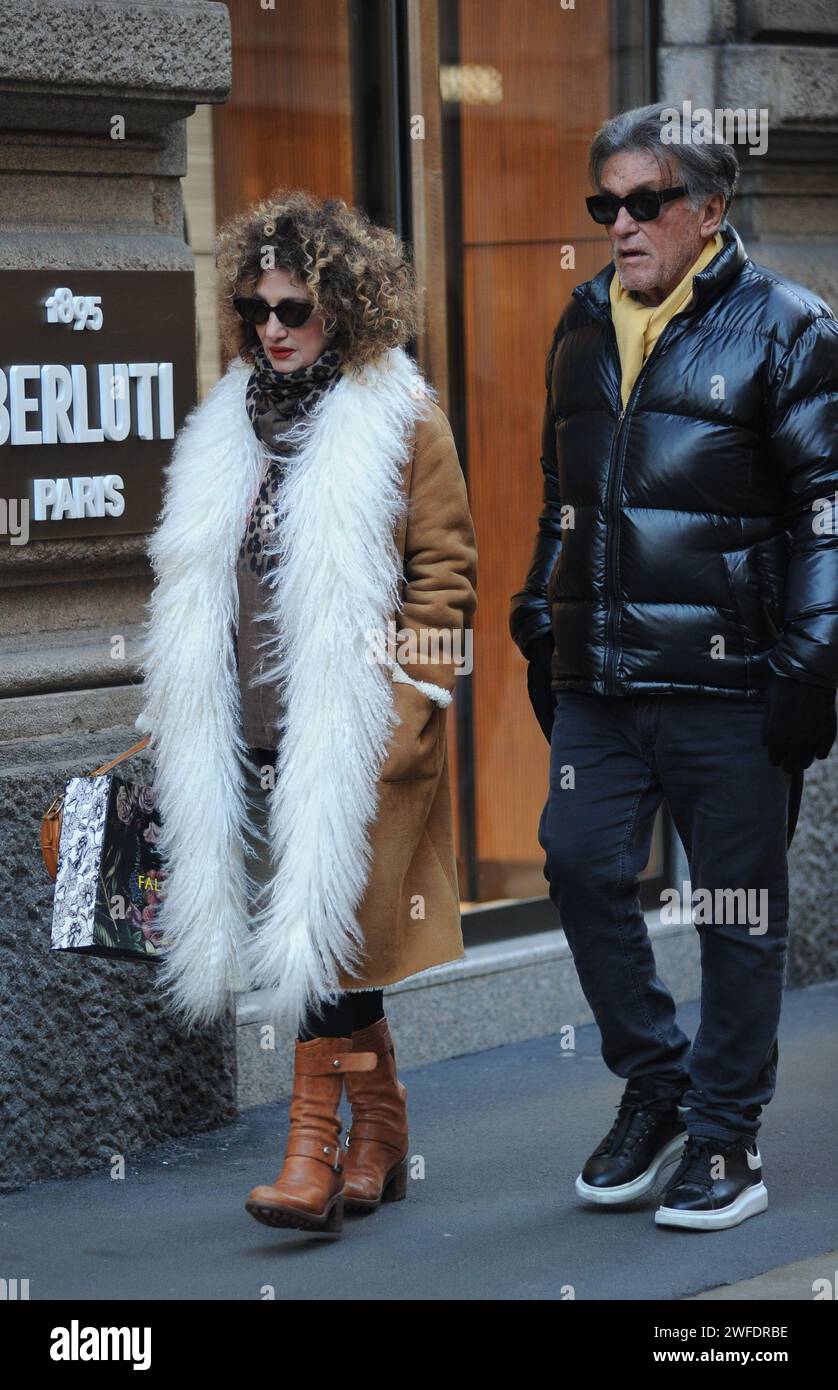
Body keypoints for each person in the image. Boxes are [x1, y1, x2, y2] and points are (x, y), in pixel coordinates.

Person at [510, 102, 838, 1231]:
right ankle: (656, 1084)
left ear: (708, 209)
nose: (621, 223)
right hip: (601, 680)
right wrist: (535, 606)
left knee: (736, 909)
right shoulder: (579, 326)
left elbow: (826, 514)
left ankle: (724, 1136)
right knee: (577, 864)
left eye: (647, 201)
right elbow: (563, 494)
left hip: (733, 680)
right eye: (606, 203)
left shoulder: (788, 326)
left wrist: (811, 664)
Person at [135, 188, 478, 1235]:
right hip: (245, 734)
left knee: (322, 955)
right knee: (330, 951)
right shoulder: (224, 425)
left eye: (295, 309)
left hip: (355, 735)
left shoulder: (399, 416)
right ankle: (378, 1130)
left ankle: (310, 1157)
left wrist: (407, 711)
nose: (273, 329)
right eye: (257, 311)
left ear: (345, 308)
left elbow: (446, 578)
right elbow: (192, 584)